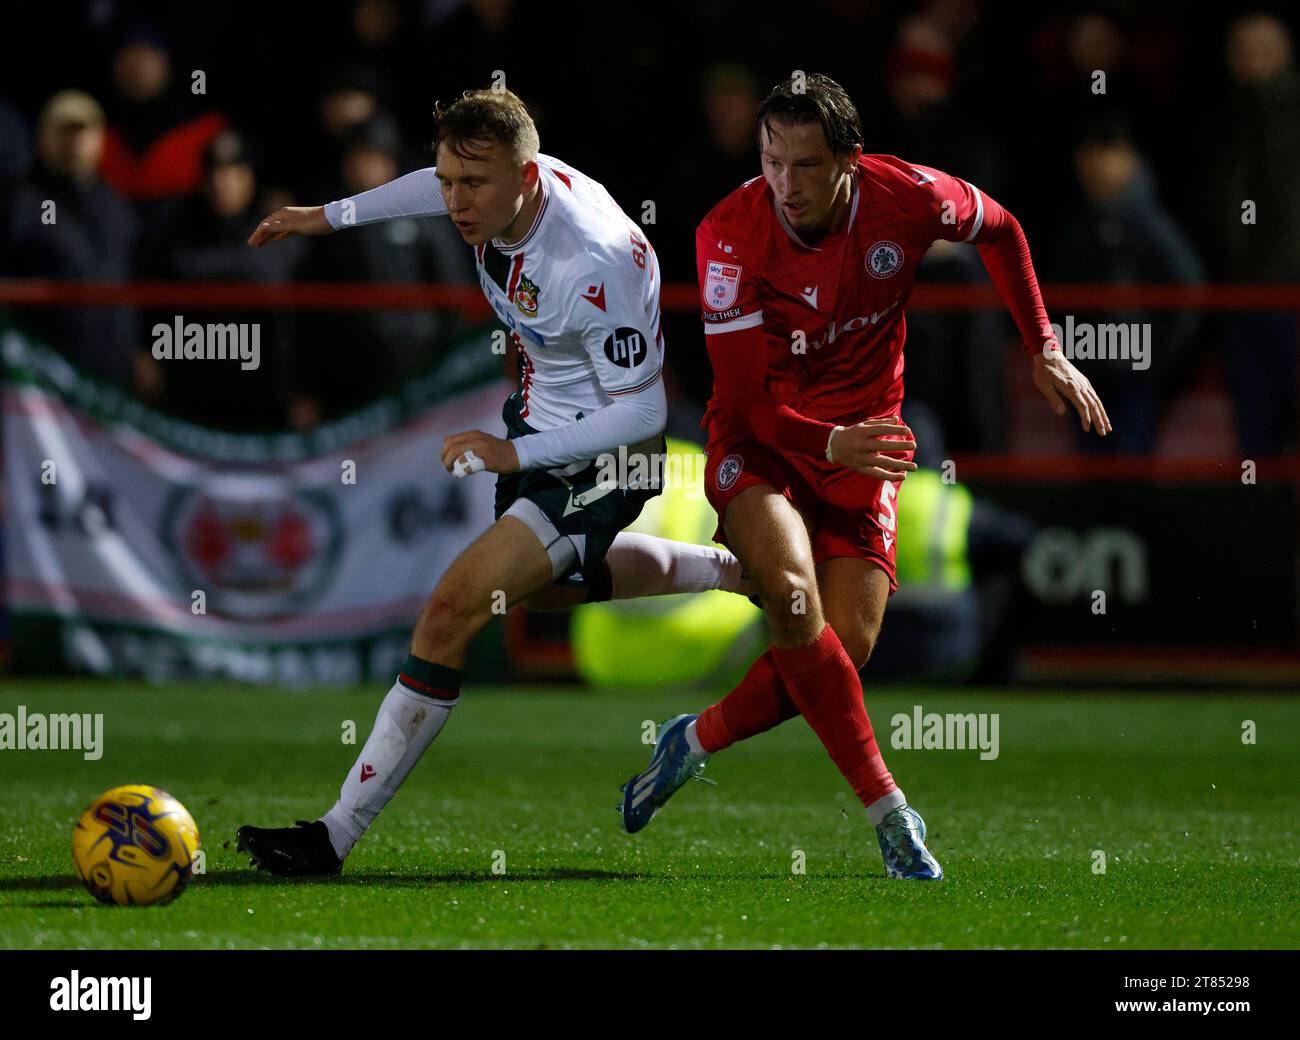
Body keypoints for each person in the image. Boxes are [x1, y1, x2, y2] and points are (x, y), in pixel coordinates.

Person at [234, 88, 749, 876]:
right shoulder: (489, 191)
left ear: (527, 176)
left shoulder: (595, 257)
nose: (452, 201)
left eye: (471, 185)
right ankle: (717, 567)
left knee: (451, 609)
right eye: (447, 181)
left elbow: (645, 408)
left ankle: (332, 836)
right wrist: (324, 216)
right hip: (542, 422)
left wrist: (513, 458)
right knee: (532, 593)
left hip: (612, 450)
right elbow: (432, 181)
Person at [619, 74, 1110, 881]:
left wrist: (1043, 344)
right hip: (765, 442)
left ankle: (692, 740)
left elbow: (1004, 229)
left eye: (806, 165)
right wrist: (828, 441)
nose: (785, 184)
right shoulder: (729, 233)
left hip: (865, 436)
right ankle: (890, 811)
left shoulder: (909, 195)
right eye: (772, 160)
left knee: (844, 644)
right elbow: (741, 405)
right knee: (792, 597)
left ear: (850, 158)